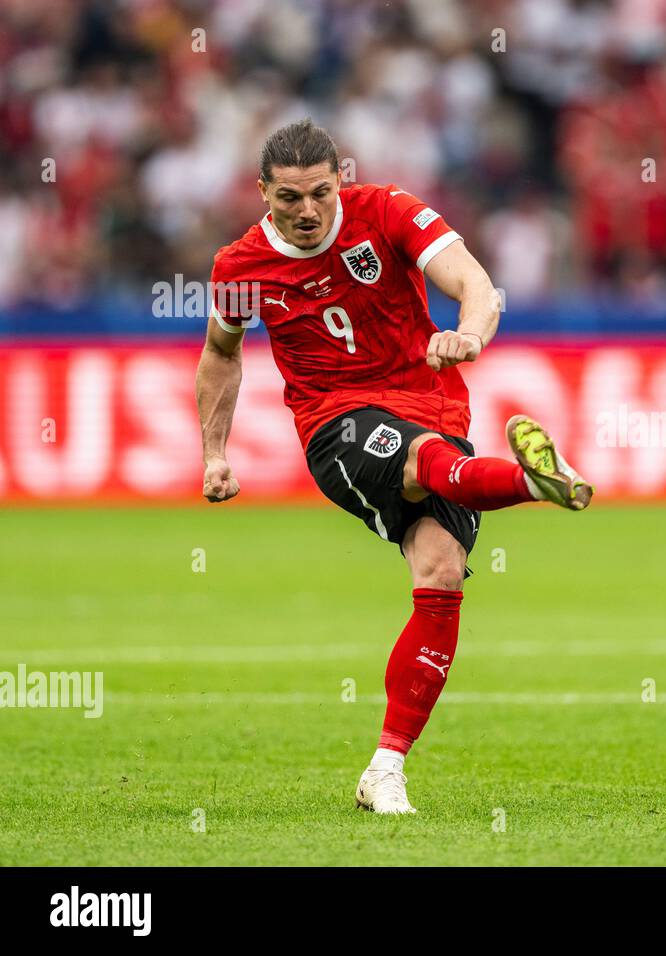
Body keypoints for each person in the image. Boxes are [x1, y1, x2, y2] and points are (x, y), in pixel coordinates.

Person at [195, 119, 593, 814]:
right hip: (335, 423)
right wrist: (214, 452)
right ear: (263, 193)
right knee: (420, 461)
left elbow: (472, 280)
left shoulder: (387, 211)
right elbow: (222, 354)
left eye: (320, 192)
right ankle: (532, 481)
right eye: (289, 198)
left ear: (339, 181)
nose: (308, 210)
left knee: (439, 571)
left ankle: (384, 770)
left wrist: (469, 333)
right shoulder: (240, 267)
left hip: (434, 404)